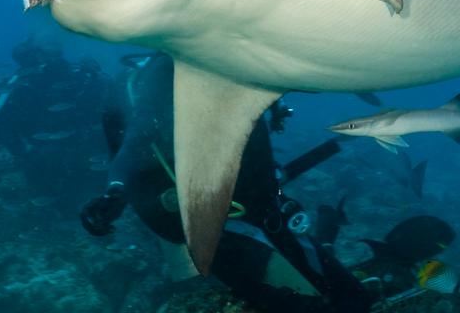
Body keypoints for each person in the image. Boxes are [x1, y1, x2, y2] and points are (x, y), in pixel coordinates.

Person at [81, 54, 372, 313]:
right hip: (198, 215)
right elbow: (133, 147)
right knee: (288, 298)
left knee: (352, 296)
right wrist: (115, 193)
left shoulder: (233, 61)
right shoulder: (165, 79)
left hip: (258, 199)